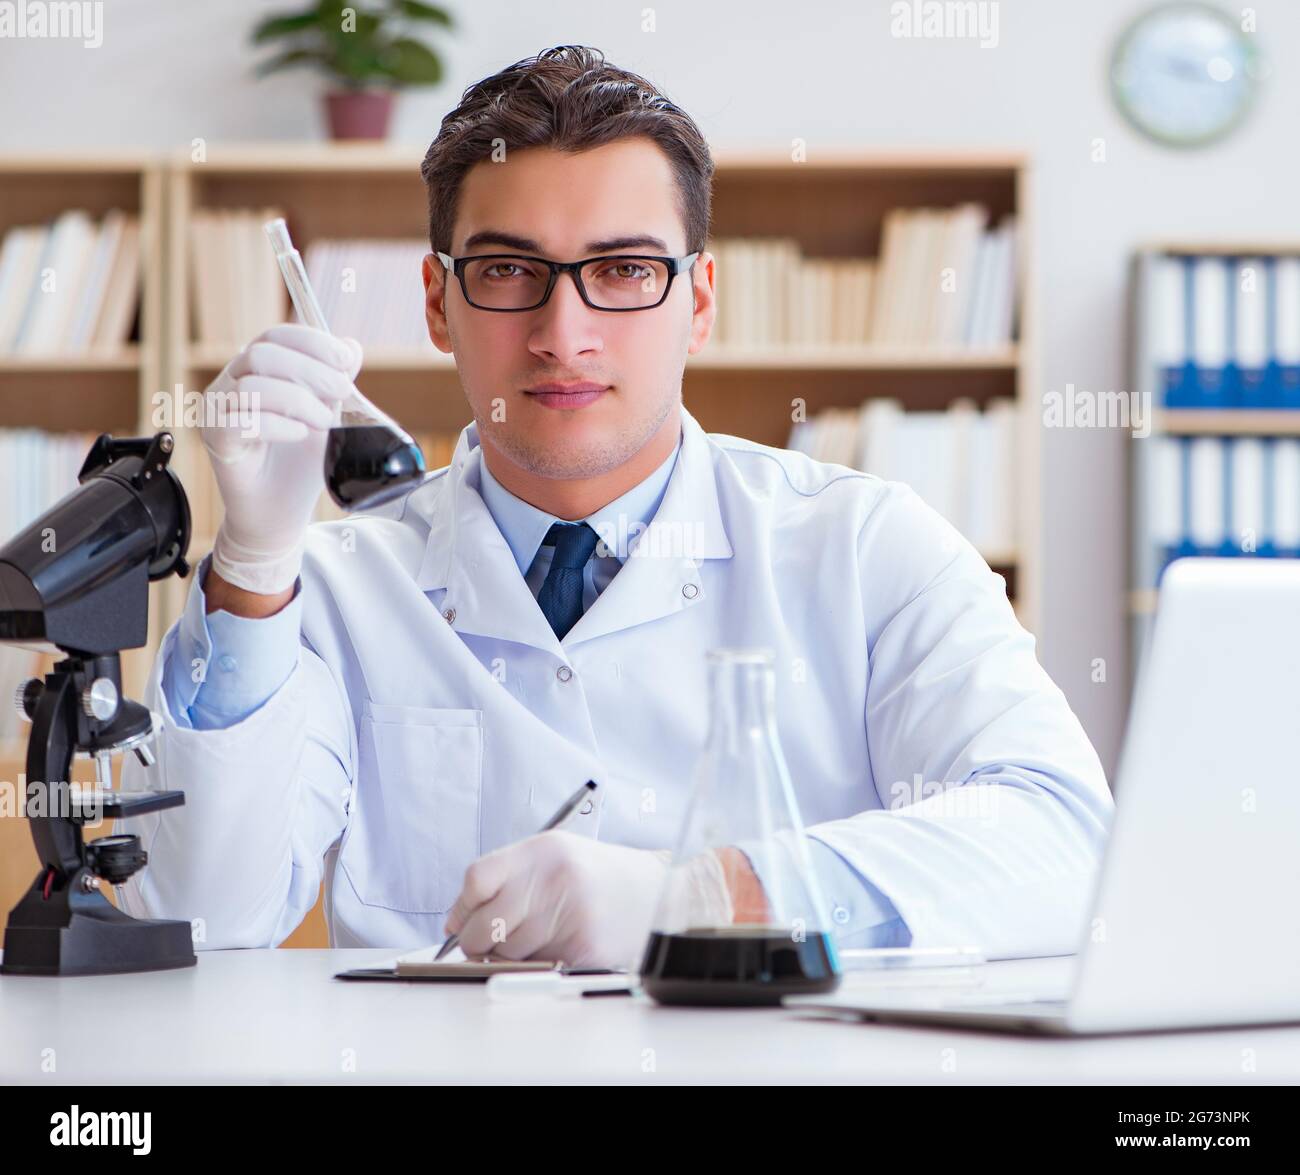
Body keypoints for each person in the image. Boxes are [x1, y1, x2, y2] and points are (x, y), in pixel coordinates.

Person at [120, 45, 1112, 969]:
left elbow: (1063, 840)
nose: (565, 333)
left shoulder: (864, 545)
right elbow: (199, 913)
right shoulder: (336, 584)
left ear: (701, 300)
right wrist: (250, 564)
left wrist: (712, 896)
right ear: (437, 302)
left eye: (624, 272)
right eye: (508, 271)